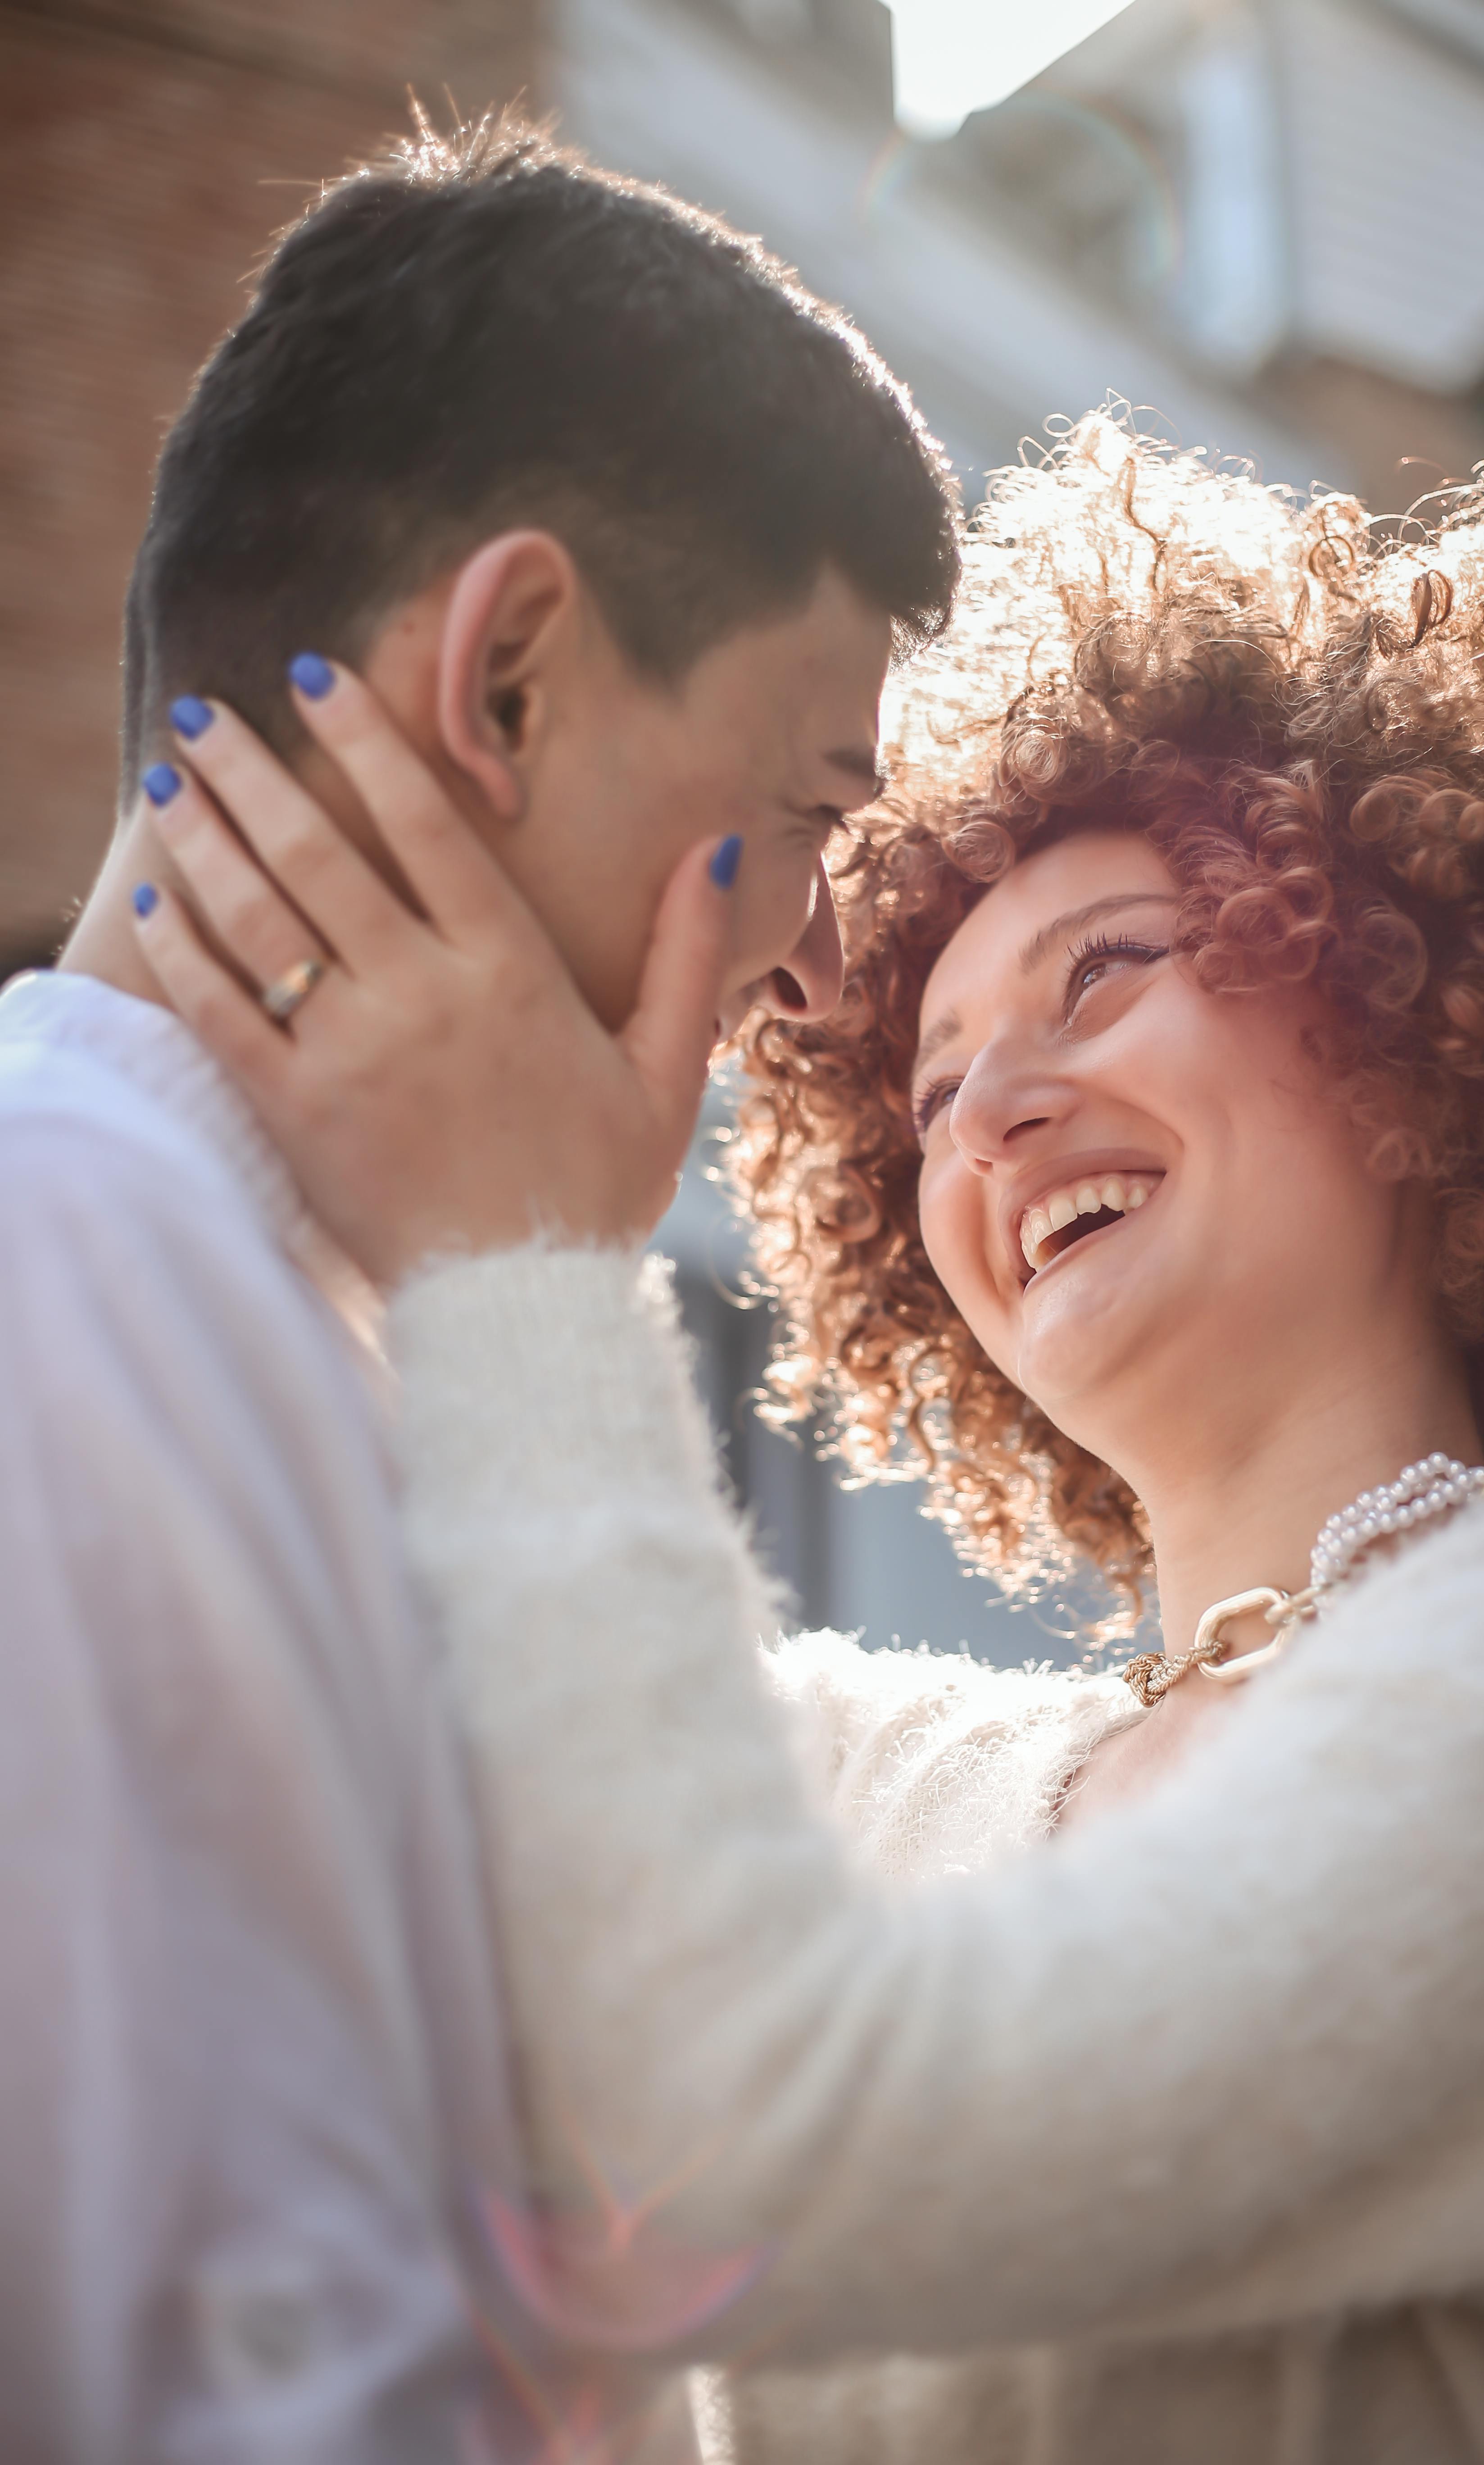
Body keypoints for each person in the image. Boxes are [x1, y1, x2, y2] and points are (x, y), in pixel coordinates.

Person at [133, 413, 1484, 2461]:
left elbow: (793, 2140)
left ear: (1406, 1002)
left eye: (1104, 974)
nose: (998, 1112)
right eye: (929, 1101)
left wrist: (528, 1246)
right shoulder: (898, 1783)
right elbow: (353, 1624)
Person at [0, 111, 958, 2458]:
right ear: (511, 676)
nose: (821, 962)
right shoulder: (71, 1294)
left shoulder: (323, 1331)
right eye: (815, 805)